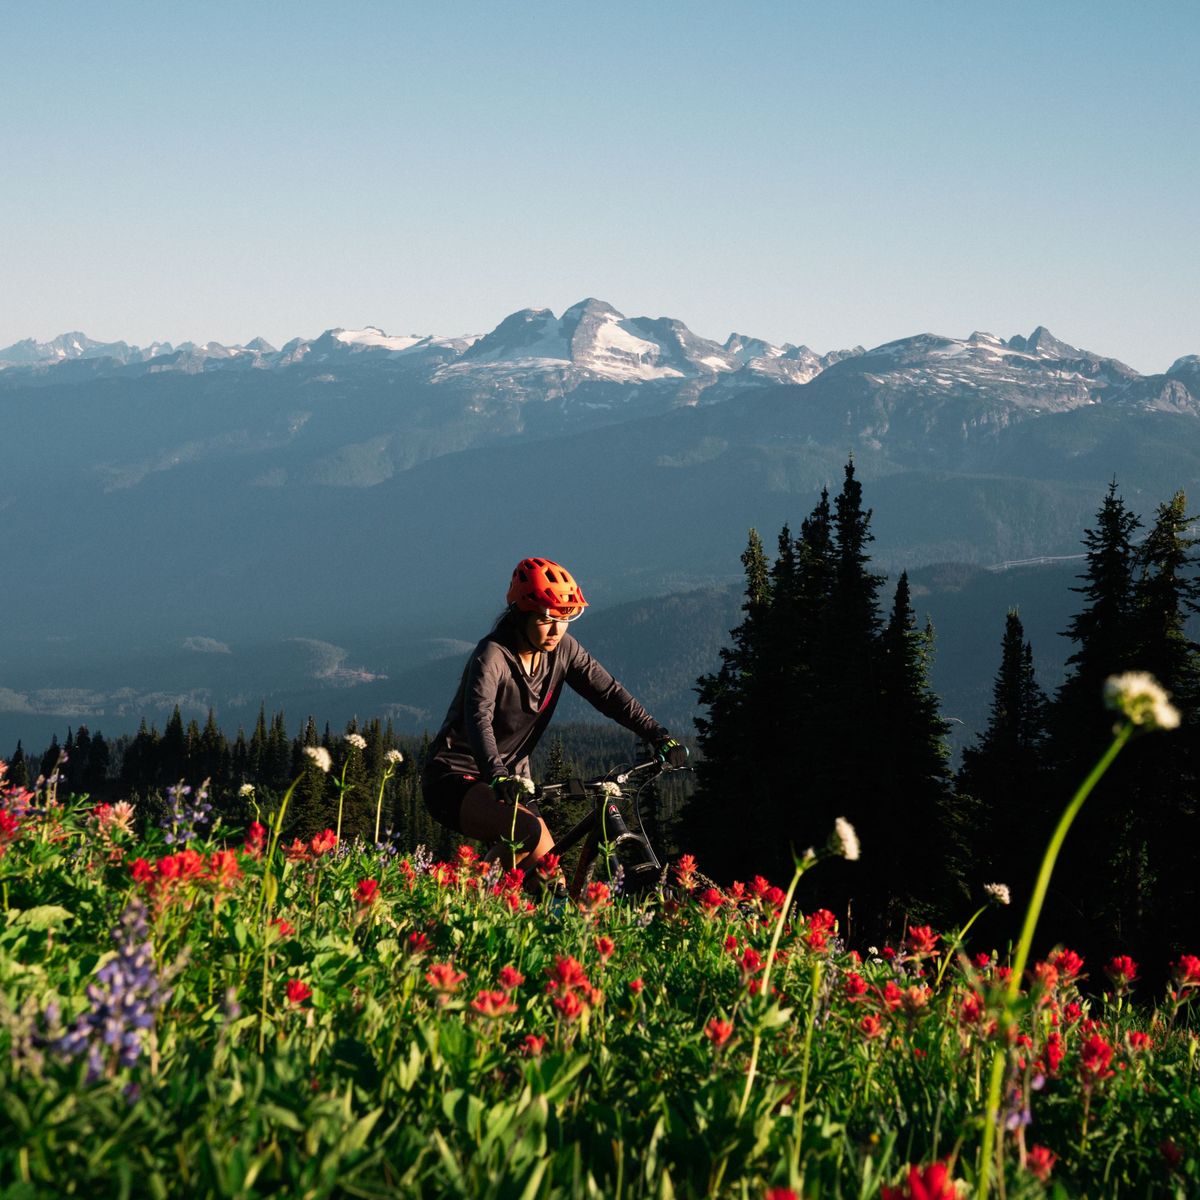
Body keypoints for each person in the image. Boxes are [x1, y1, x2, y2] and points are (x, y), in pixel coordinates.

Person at [422, 556, 687, 877]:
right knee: (526, 833)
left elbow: (609, 695)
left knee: (548, 878)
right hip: (455, 777)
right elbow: (480, 718)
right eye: (547, 619)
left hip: (512, 782)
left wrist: (657, 735)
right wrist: (496, 775)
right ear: (522, 613)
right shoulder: (492, 656)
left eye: (566, 617)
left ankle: (504, 910)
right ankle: (459, 896)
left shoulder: (564, 649)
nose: (557, 629)